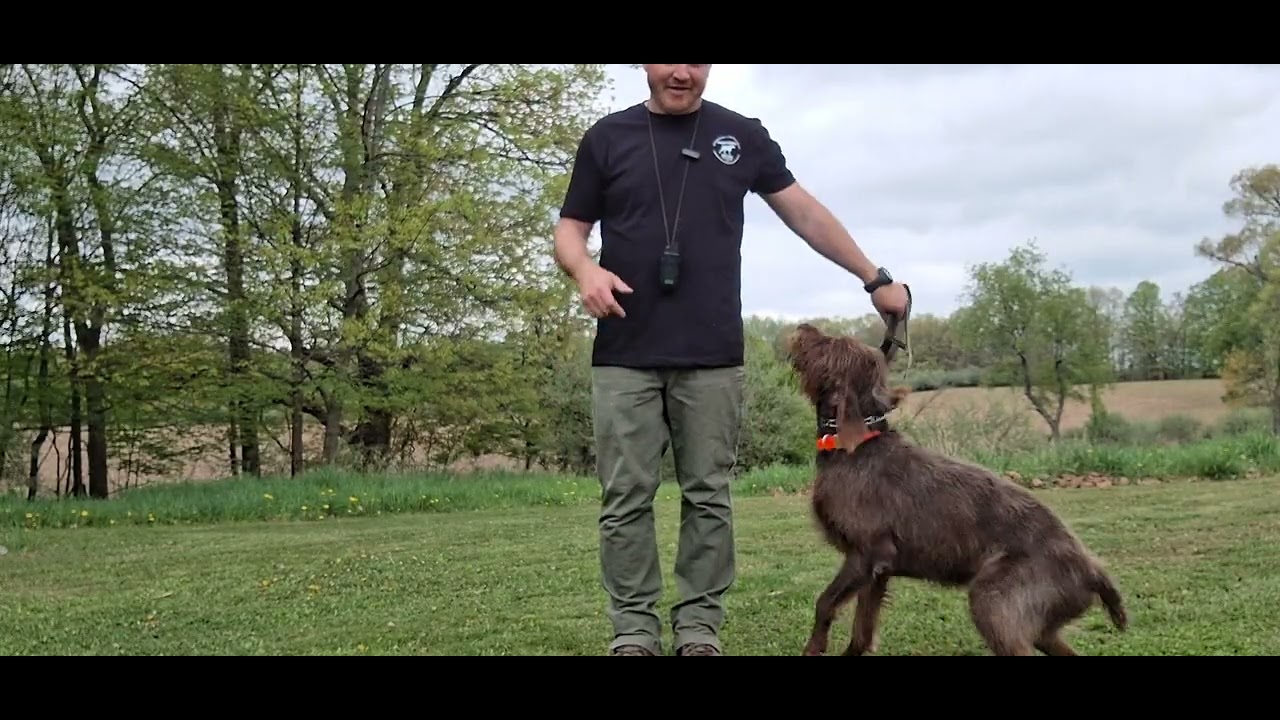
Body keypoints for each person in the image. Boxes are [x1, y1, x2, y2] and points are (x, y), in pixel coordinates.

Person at [552, 64, 911, 656]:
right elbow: (570, 229)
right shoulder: (607, 138)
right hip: (624, 351)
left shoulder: (741, 135)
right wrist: (584, 269)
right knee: (624, 499)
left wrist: (874, 276)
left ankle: (697, 629)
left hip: (712, 355)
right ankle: (634, 631)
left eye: (696, 61)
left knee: (708, 496)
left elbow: (803, 212)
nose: (681, 71)